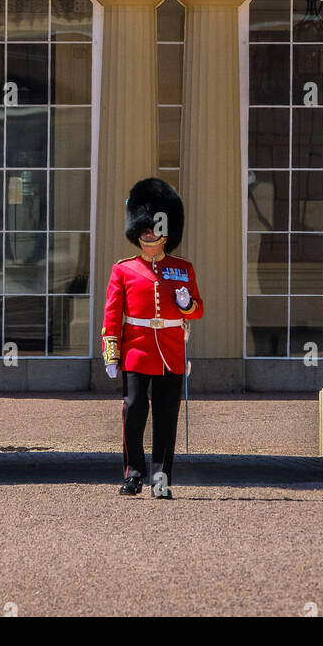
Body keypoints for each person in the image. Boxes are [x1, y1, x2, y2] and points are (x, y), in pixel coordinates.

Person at [101, 177, 203, 499]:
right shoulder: (124, 270)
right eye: (144, 227)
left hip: (170, 352)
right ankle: (133, 474)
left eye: (155, 226)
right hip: (136, 350)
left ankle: (161, 479)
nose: (149, 233)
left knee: (165, 417)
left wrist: (187, 304)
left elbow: (197, 310)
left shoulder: (182, 268)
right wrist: (111, 353)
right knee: (133, 409)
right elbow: (113, 314)